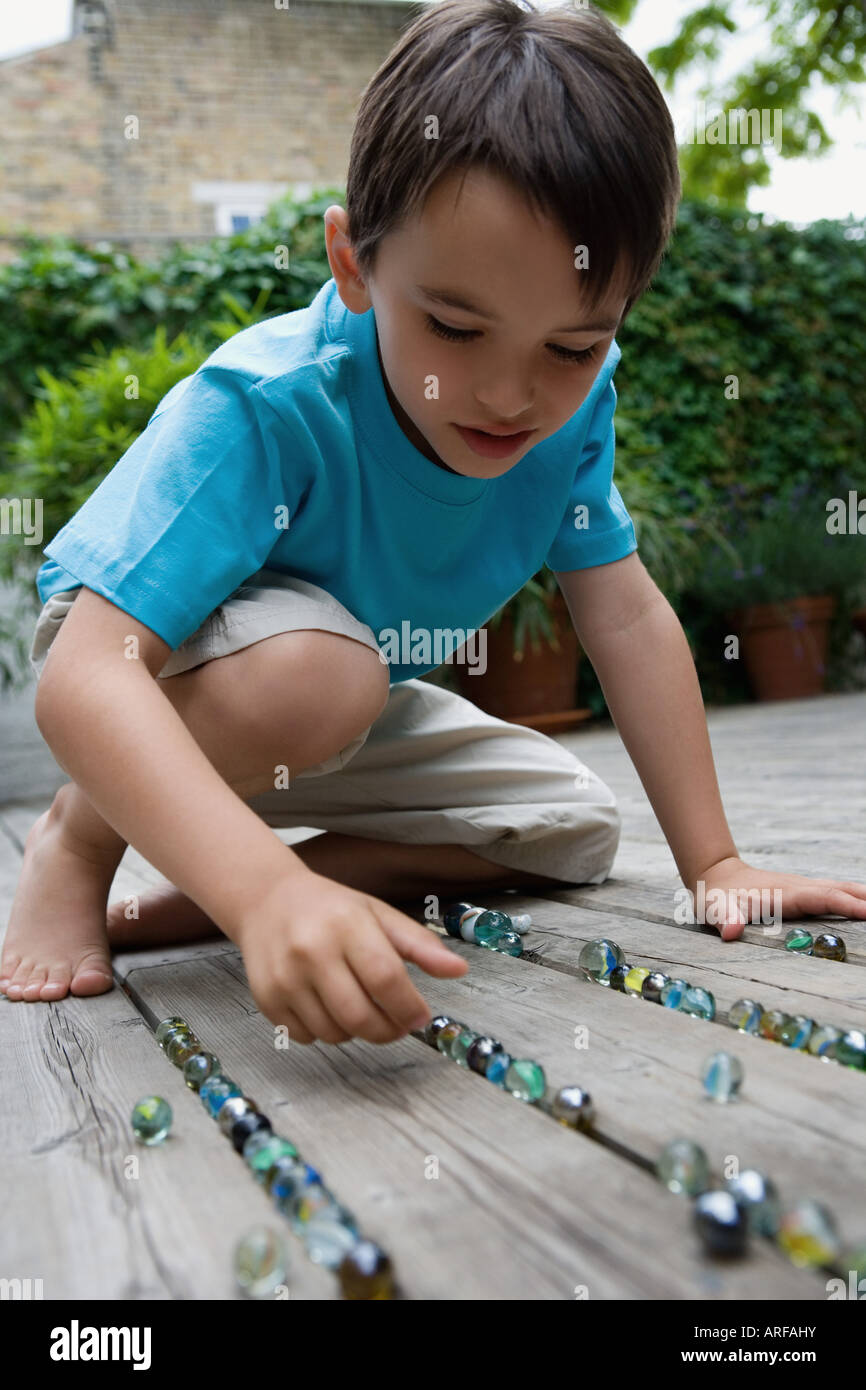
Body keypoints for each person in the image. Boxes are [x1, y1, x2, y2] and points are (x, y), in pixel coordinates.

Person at [4, 0, 864, 1039]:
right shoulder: (267, 406)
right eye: (455, 328)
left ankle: (201, 901)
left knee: (565, 824)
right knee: (321, 676)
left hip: (335, 702)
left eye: (571, 345)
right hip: (143, 672)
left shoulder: (571, 414)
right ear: (353, 265)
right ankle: (81, 844)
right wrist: (262, 896)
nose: (510, 395)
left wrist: (713, 863)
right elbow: (83, 677)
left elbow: (623, 613)